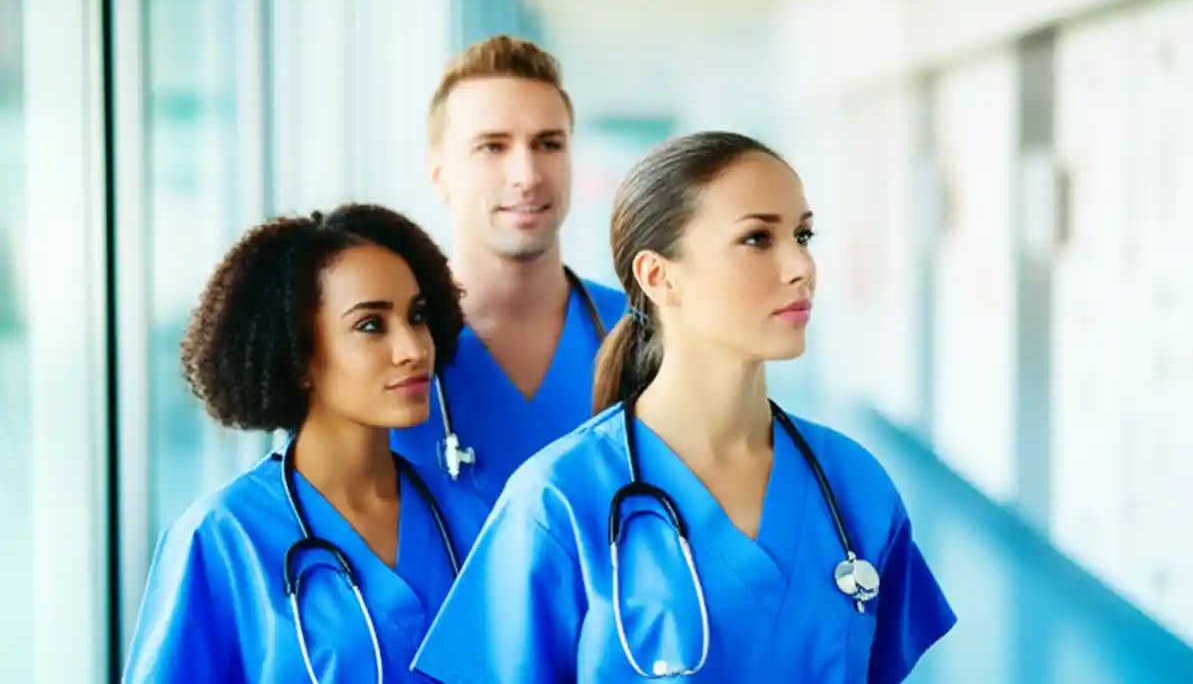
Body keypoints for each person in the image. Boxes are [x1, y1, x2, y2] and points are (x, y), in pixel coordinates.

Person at [411, 132, 956, 683]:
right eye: (757, 239)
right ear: (658, 276)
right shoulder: (560, 501)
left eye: (803, 235)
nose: (800, 267)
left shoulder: (852, 483)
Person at [123, 204, 480, 683]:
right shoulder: (224, 537)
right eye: (371, 325)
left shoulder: (471, 519)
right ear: (297, 356)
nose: (414, 349)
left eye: (417, 317)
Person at [390, 35, 625, 548]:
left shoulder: (645, 334)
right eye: (492, 147)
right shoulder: (386, 349)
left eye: (548, 144)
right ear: (439, 174)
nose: (527, 175)